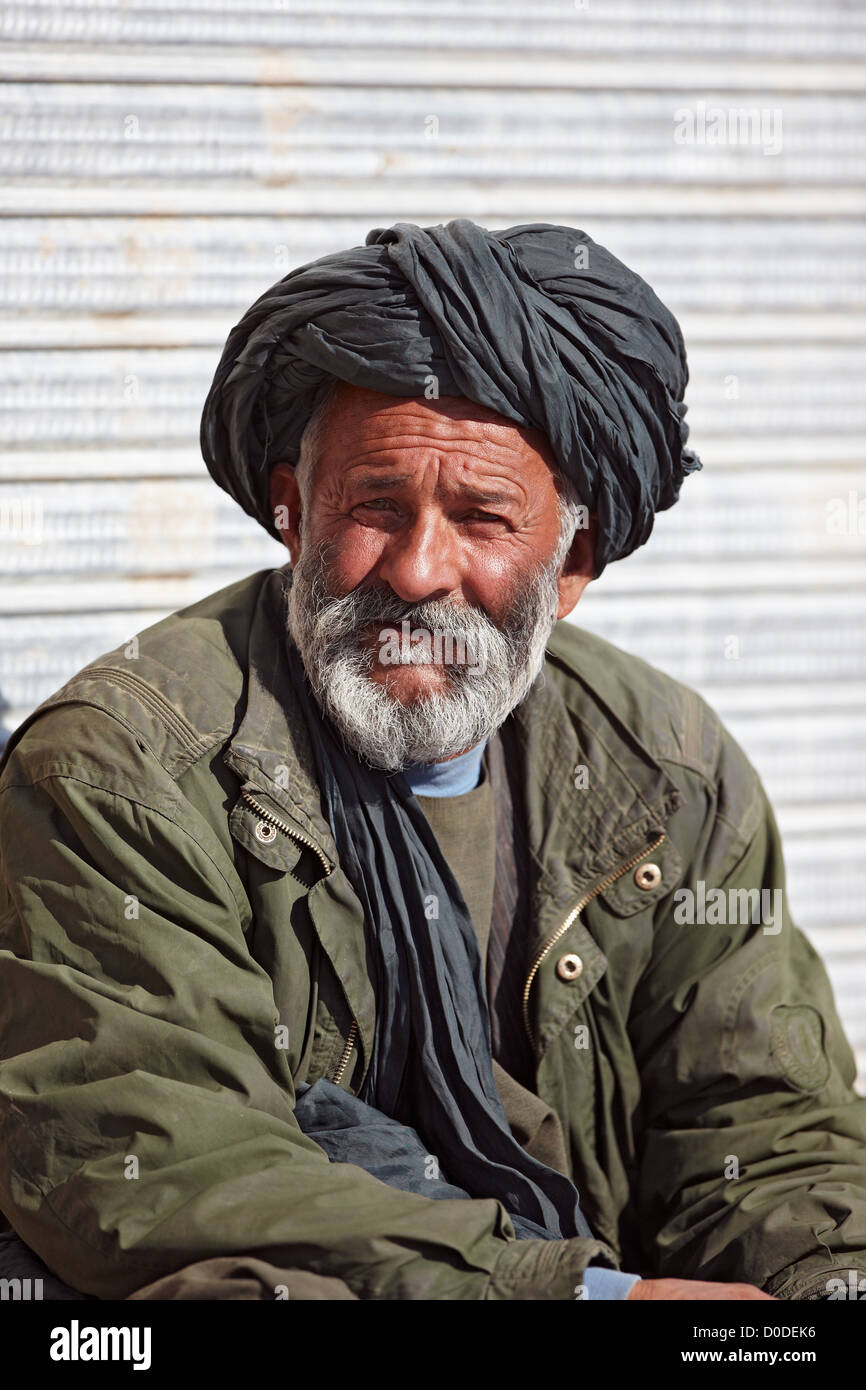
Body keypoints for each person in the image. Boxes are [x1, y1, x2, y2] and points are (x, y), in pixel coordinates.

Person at [1, 221, 864, 1302]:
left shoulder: (667, 771)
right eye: (373, 507)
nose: (416, 571)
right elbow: (163, 1167)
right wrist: (580, 1298)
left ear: (573, 562)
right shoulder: (116, 771)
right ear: (291, 511)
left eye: (481, 518)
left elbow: (764, 1132)